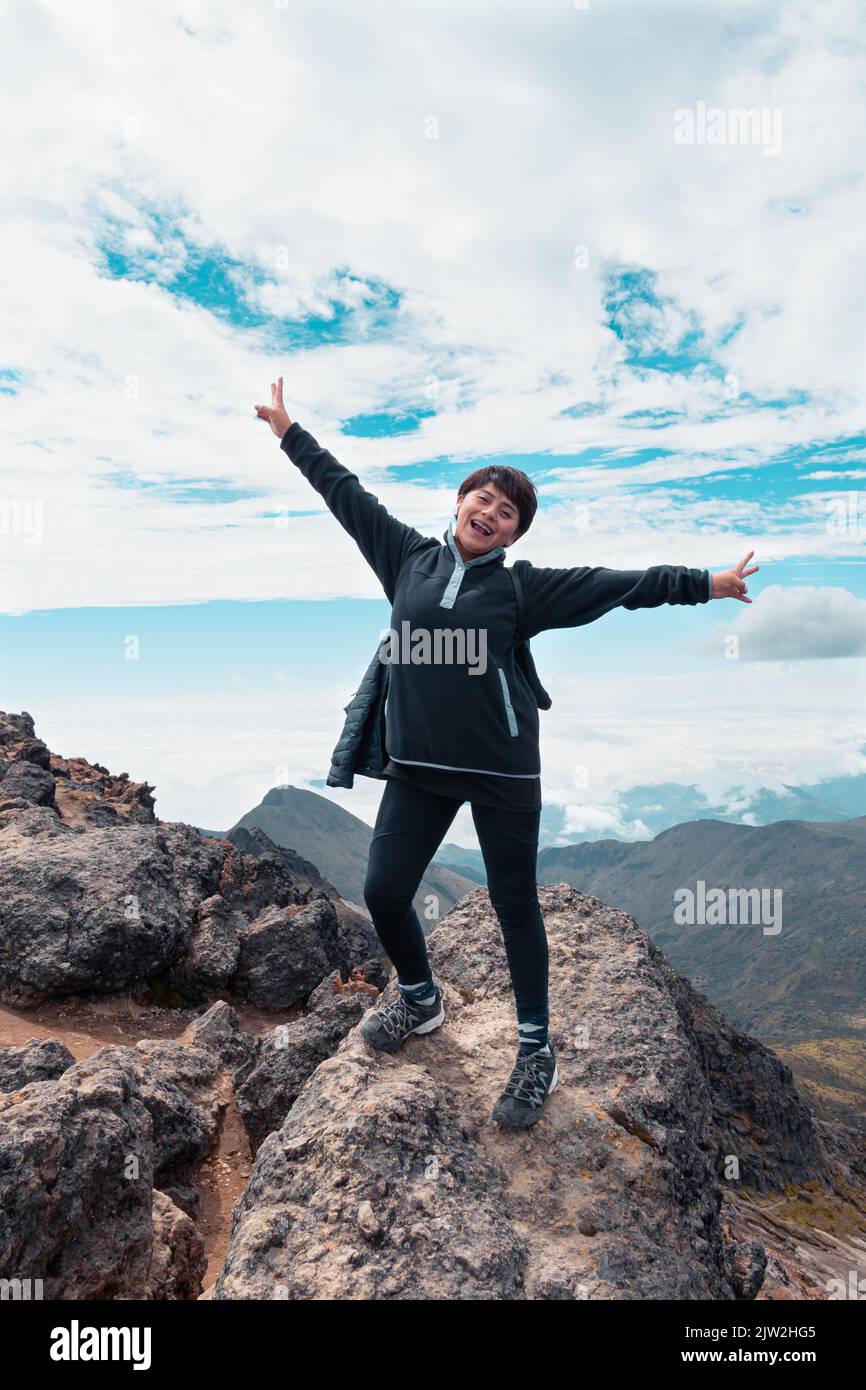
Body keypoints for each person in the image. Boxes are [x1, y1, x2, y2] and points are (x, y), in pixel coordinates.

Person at [255, 377, 759, 1128]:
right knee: (386, 893)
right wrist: (292, 432)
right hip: (420, 769)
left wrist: (707, 585)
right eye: (482, 499)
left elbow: (619, 585)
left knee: (515, 906)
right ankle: (420, 1000)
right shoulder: (405, 559)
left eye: (508, 510)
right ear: (457, 505)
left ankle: (534, 1054)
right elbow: (344, 493)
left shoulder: (522, 591)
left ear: (516, 533)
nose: (490, 512)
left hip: (503, 771)